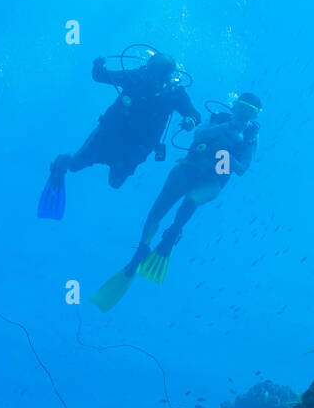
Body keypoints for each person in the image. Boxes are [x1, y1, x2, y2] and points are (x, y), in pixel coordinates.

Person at [90, 93, 262, 312]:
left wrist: (226, 155)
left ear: (255, 115)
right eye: (242, 108)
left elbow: (241, 169)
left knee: (191, 200)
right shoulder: (219, 117)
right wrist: (226, 127)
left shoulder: (250, 136)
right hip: (188, 168)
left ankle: (172, 234)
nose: (244, 114)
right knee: (157, 210)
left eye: (250, 111)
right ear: (234, 106)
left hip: (213, 180)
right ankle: (142, 248)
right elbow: (198, 135)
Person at [37, 50, 201, 219]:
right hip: (108, 136)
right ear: (148, 69)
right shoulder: (136, 77)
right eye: (151, 74)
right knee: (74, 165)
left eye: (158, 76)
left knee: (115, 183)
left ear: (167, 77)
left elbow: (195, 115)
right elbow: (100, 76)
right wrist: (98, 65)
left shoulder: (175, 94)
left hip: (136, 147)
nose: (152, 79)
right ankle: (60, 164)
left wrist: (190, 121)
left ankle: (71, 163)